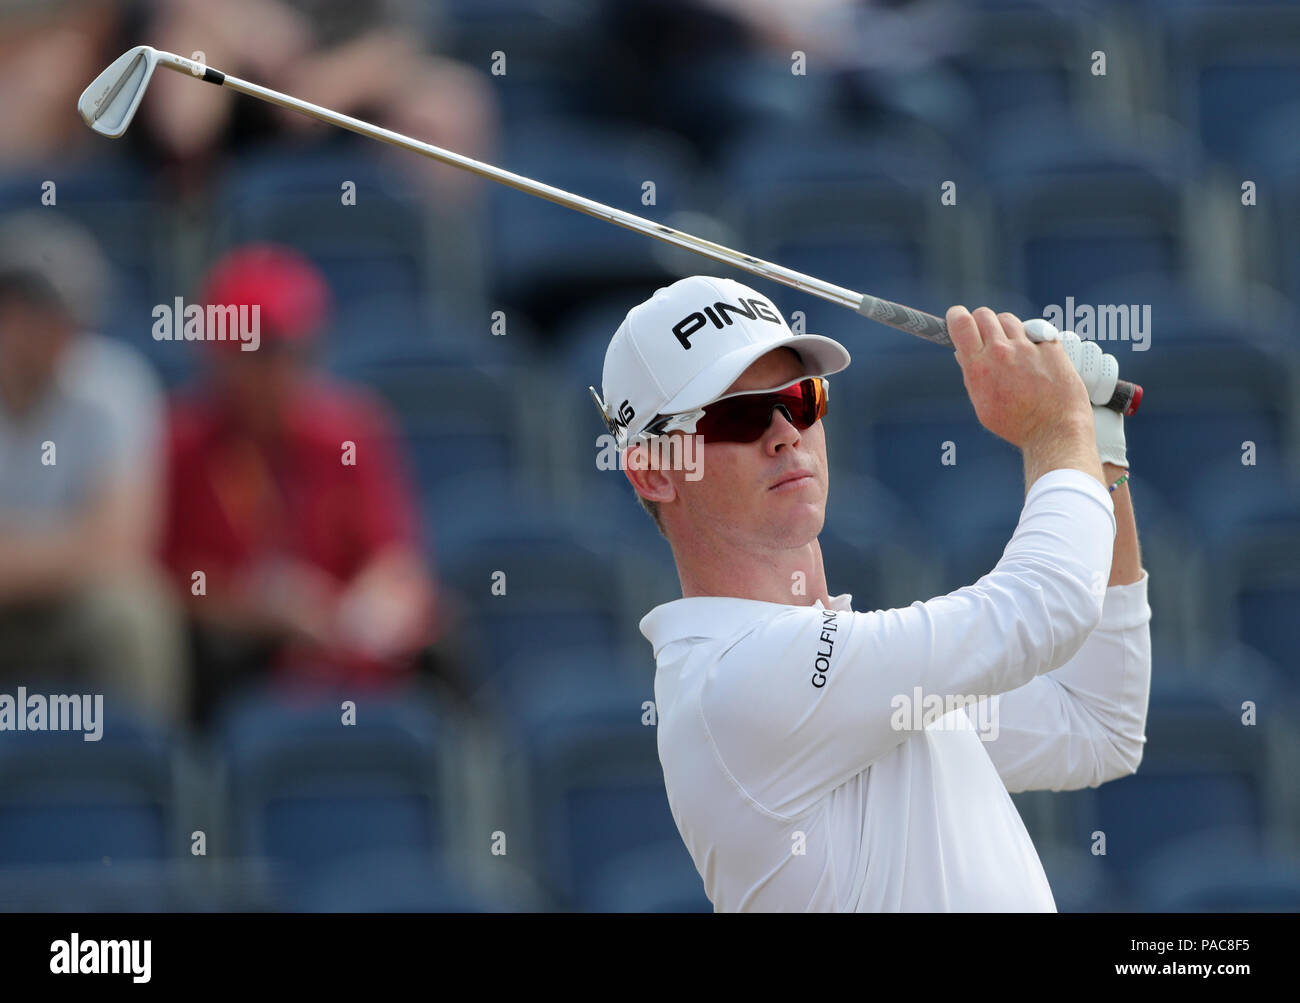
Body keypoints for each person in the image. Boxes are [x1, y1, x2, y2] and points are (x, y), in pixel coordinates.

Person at [591, 274, 1151, 911]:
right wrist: (1059, 426)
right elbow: (1044, 606)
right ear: (654, 470)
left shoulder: (851, 682)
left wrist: (1097, 446)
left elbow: (1098, 722)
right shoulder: (735, 679)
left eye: (802, 399)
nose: (785, 433)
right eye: (739, 416)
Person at [159, 244, 451, 726]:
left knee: (438, 650)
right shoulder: (181, 444)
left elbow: (393, 557)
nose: (278, 371)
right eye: (259, 354)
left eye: (293, 351)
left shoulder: (349, 430)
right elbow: (163, 581)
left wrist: (370, 605)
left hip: (342, 635)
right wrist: (252, 607)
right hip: (235, 654)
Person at [0, 215, 186, 724]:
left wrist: (16, 551)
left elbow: (120, 549)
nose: (68, 327)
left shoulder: (114, 384)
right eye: (47, 311)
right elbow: (94, 544)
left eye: (72, 311)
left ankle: (140, 778)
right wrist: (70, 543)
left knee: (131, 612)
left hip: (69, 608)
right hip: (39, 590)